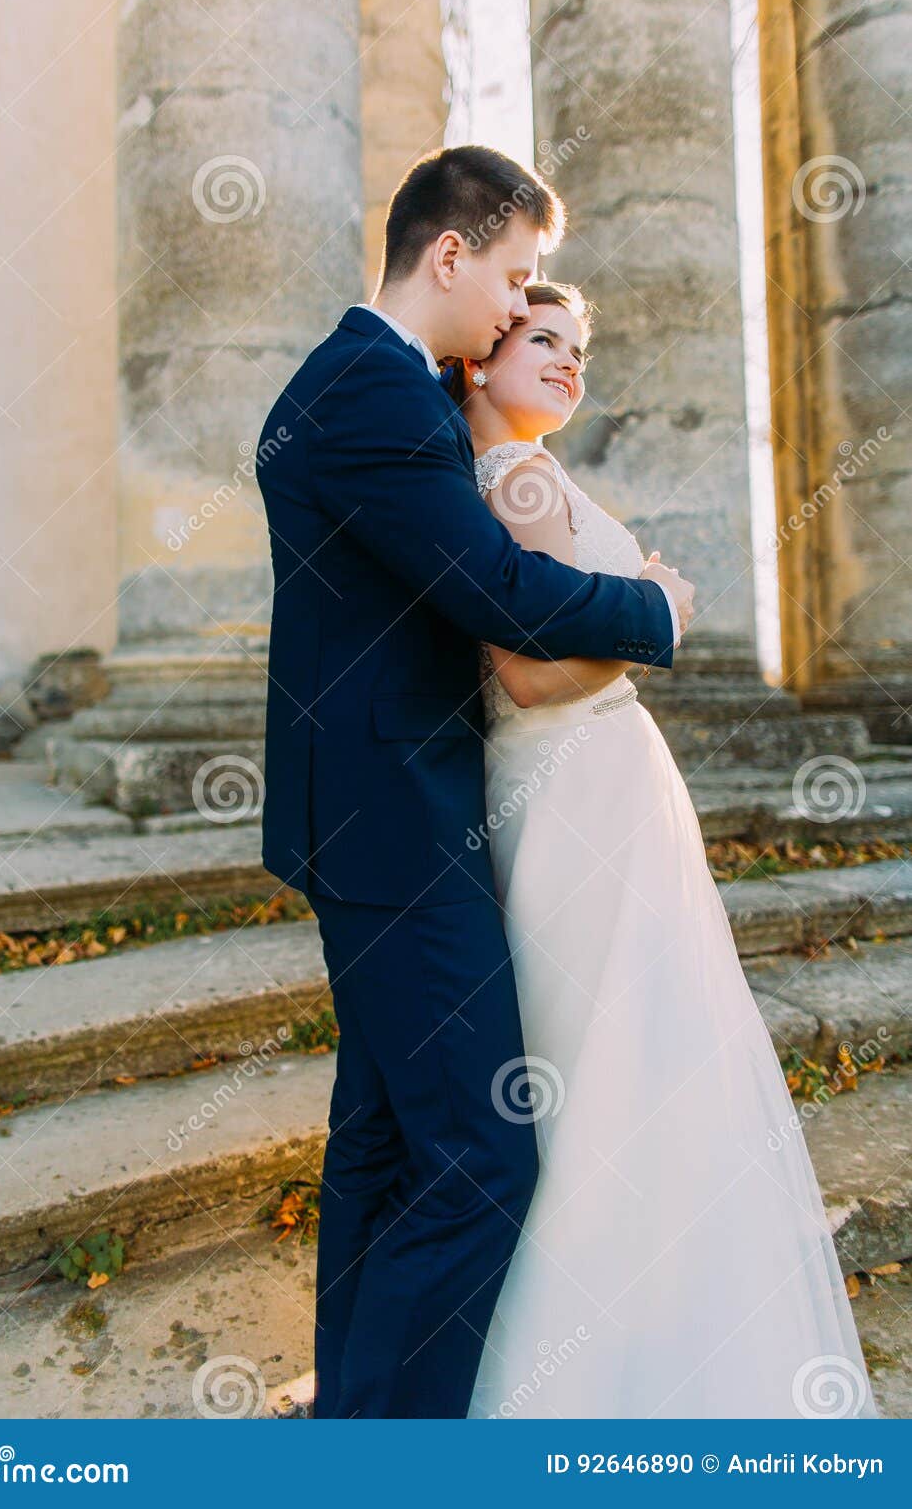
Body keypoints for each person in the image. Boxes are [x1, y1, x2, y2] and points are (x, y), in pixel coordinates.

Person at [255, 145, 693, 1418]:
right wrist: (658, 608)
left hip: (389, 810)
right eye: (510, 277)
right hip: (394, 825)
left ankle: (351, 1428)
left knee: (385, 1146)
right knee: (480, 1164)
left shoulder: (379, 386)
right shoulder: (369, 395)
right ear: (447, 255)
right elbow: (498, 596)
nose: (517, 309)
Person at [448, 281, 879, 1420]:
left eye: (578, 348)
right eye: (542, 340)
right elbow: (530, 673)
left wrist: (636, 608)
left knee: (624, 1057)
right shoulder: (512, 480)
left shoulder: (529, 474)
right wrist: (659, 612)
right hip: (570, 787)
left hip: (599, 790)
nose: (568, 362)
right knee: (609, 1066)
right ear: (479, 361)